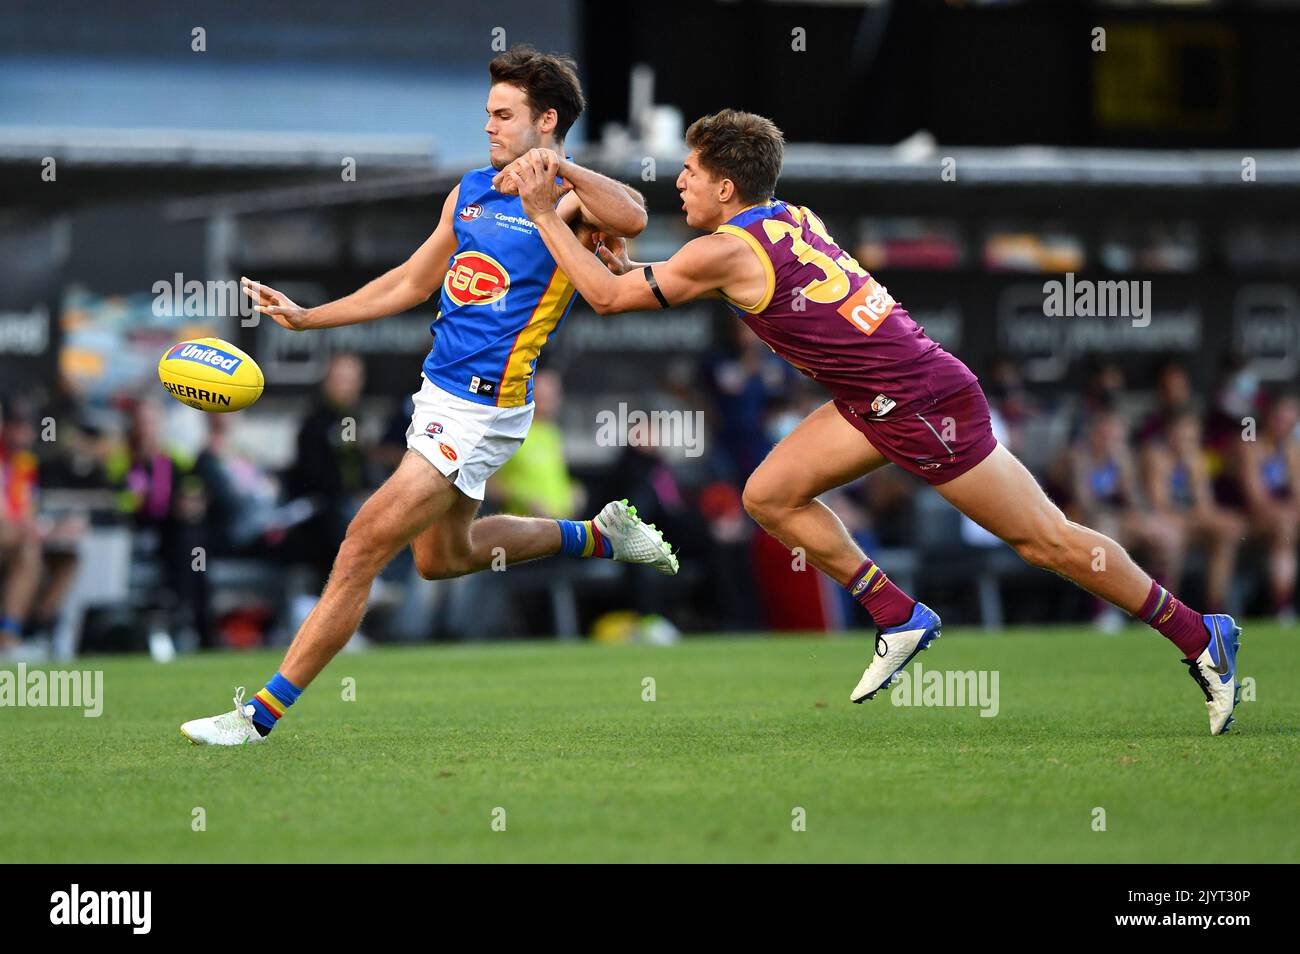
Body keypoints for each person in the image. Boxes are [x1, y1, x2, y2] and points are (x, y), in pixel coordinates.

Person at [506, 108, 1242, 735]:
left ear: (726, 187)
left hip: (919, 404)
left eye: (691, 173)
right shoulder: (788, 217)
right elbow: (639, 277)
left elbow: (606, 298)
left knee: (1044, 540)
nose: (680, 182)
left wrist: (546, 213)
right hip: (878, 399)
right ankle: (899, 615)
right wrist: (603, 246)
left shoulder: (724, 251)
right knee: (769, 496)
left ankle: (1199, 633)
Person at [181, 46, 677, 745]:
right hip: (436, 399)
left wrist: (556, 168)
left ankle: (257, 716)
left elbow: (630, 214)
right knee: (441, 558)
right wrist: (307, 316)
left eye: (504, 115)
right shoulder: (472, 188)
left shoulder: (565, 200)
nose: (490, 127)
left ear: (547, 121)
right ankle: (598, 534)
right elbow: (410, 282)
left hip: (484, 407)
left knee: (360, 545)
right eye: (488, 114)